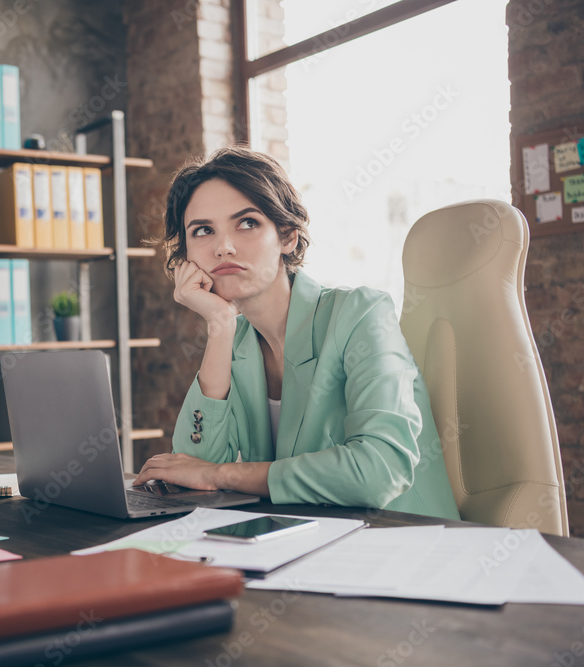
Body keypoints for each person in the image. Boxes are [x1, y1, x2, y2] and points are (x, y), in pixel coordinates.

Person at [132, 146, 460, 520]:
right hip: (301, 546)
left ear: (287, 236)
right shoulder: (234, 341)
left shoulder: (360, 315)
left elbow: (379, 471)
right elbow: (195, 467)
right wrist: (219, 326)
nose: (223, 246)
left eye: (247, 223)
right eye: (203, 231)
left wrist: (221, 474)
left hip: (400, 546)